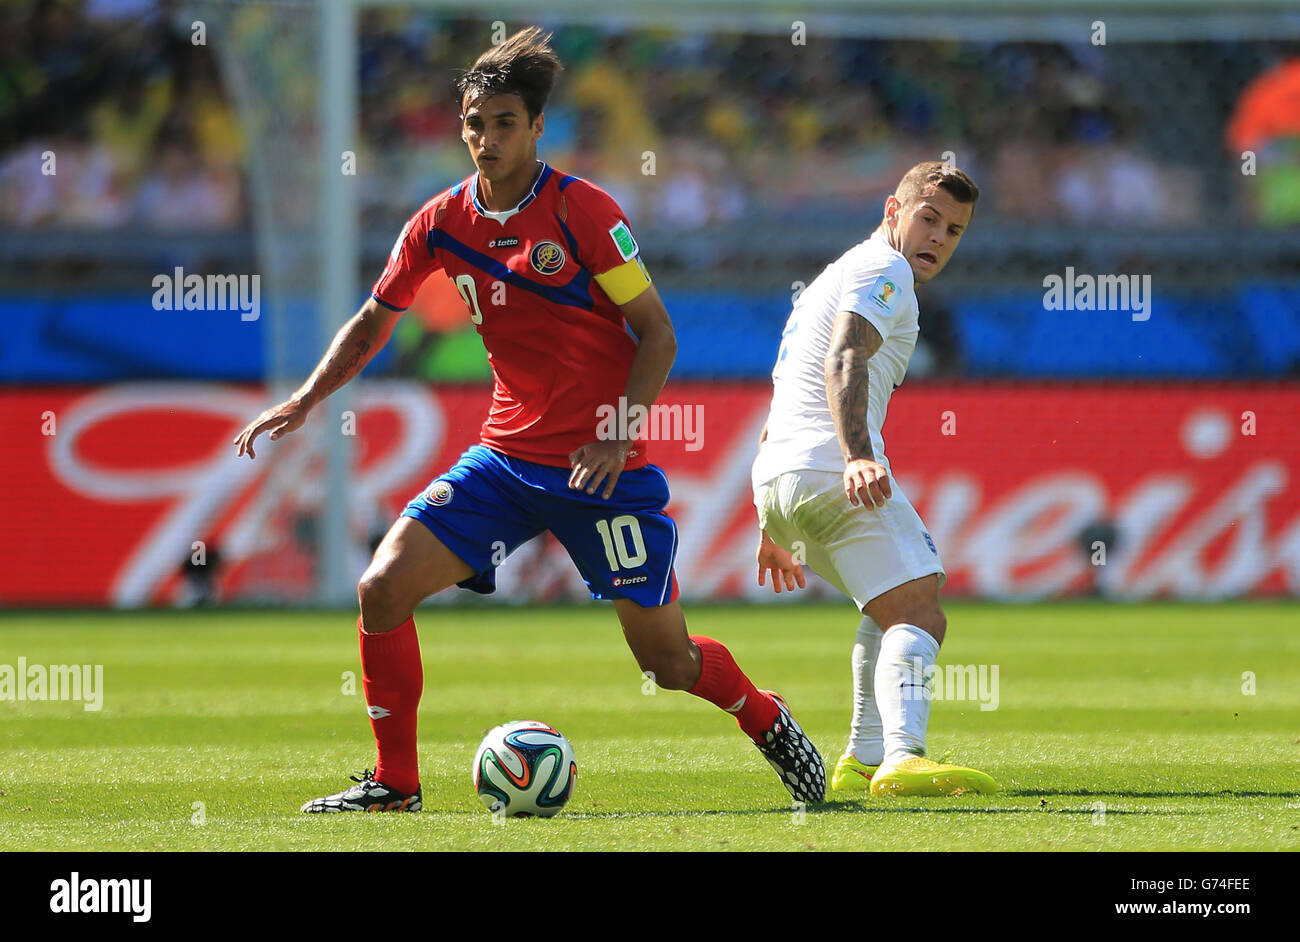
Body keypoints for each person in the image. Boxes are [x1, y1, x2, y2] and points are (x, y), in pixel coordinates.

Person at [233, 27, 824, 812]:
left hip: (600, 469)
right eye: (474, 123)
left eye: (504, 123)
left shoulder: (582, 210)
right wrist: (309, 398)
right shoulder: (441, 222)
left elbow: (658, 331)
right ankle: (396, 783)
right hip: (506, 462)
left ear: (537, 127)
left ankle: (764, 715)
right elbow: (376, 319)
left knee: (667, 664)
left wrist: (617, 432)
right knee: (380, 588)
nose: (485, 139)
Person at [751, 161, 998, 796]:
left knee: (889, 604)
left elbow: (788, 388)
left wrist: (767, 522)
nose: (939, 238)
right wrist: (859, 453)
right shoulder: (884, 270)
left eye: (955, 230)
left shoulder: (833, 276)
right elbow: (846, 355)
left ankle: (862, 756)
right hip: (829, 465)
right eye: (929, 218)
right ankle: (903, 755)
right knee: (921, 607)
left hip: (780, 475)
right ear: (893, 210)